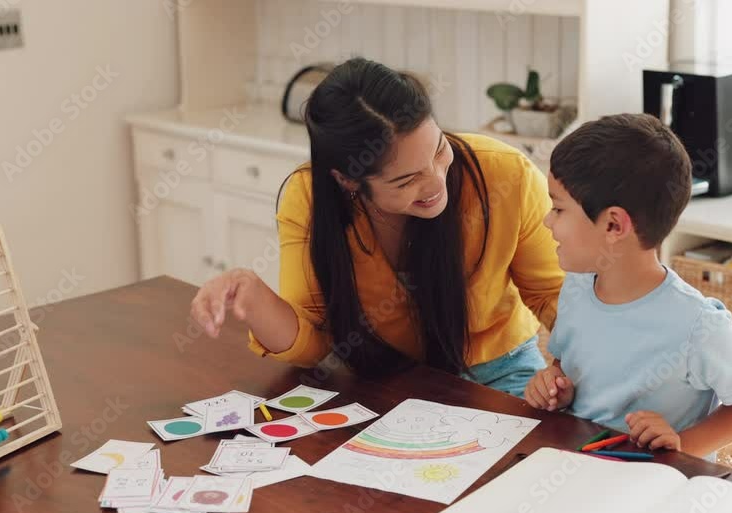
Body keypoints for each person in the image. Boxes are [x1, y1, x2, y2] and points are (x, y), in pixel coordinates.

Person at [189, 58, 563, 396]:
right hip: (382, 383)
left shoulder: (506, 175)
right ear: (348, 181)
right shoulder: (310, 198)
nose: (436, 183)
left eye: (439, 150)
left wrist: (588, 369)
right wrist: (255, 300)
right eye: (405, 181)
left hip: (503, 374)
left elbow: (553, 296)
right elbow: (315, 343)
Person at [524, 114, 732, 458]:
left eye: (558, 209)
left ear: (614, 225)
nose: (546, 220)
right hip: (577, 466)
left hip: (656, 490)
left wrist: (681, 446)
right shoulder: (578, 285)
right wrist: (556, 386)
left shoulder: (697, 325)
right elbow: (565, 365)